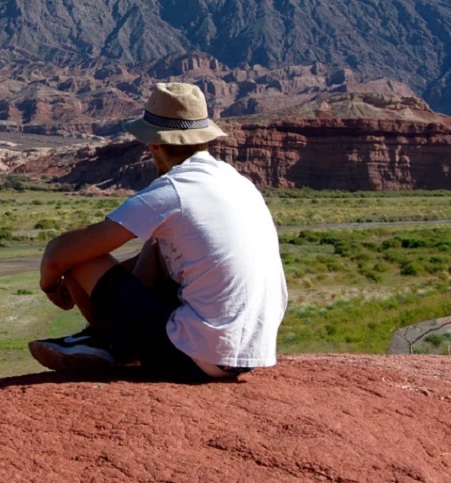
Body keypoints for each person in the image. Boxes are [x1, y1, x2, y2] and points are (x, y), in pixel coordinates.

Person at [29, 82, 287, 382]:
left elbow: (57, 255)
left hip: (194, 356)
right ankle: (112, 339)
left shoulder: (174, 190)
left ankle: (108, 342)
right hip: (249, 354)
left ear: (153, 143)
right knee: (156, 244)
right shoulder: (238, 182)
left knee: (81, 260)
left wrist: (52, 285)